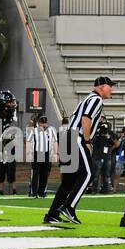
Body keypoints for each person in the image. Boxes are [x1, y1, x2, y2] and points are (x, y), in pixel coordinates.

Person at [45, 77, 115, 226]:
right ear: (102, 87)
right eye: (110, 87)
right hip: (76, 137)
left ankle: (52, 214)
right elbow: (86, 119)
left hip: (67, 137)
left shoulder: (87, 99)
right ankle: (69, 207)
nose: (112, 90)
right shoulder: (96, 99)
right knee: (88, 174)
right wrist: (88, 141)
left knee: (68, 182)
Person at [26, 113, 56, 199]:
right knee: (35, 173)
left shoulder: (51, 130)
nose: (44, 124)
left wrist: (55, 153)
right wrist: (29, 152)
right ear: (39, 123)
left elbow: (54, 142)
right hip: (37, 152)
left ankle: (42, 192)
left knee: (45, 173)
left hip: (47, 153)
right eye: (42, 123)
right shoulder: (34, 130)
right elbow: (28, 141)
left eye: (45, 122)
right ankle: (33, 192)